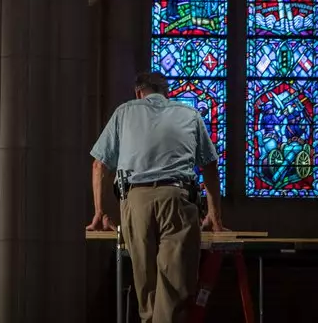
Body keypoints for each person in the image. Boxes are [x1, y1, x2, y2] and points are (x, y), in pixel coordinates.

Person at [87, 72, 225, 323]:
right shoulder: (189, 114)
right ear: (167, 92)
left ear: (139, 92)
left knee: (146, 287)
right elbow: (210, 166)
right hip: (176, 198)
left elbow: (99, 165)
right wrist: (214, 214)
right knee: (175, 285)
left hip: (135, 201)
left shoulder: (124, 112)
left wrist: (99, 212)